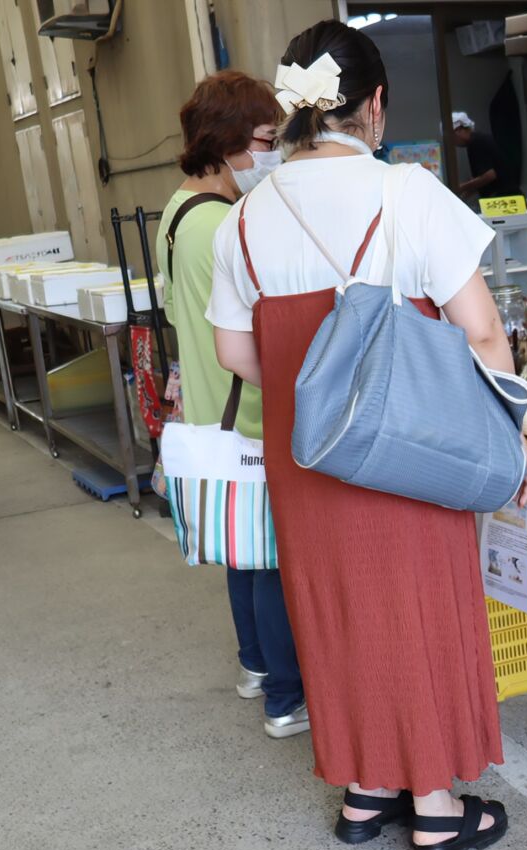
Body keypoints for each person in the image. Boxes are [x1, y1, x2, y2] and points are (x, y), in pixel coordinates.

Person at [206, 20, 527, 850]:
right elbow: (483, 333)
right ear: (376, 104)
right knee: (418, 612)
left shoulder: (241, 219)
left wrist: (317, 386)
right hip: (410, 451)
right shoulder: (407, 195)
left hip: (307, 457)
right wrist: (507, 439)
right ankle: (435, 811)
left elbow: (235, 353)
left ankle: (365, 790)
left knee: (339, 616)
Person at [157, 70, 307, 739]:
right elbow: (257, 329)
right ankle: (286, 699)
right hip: (246, 409)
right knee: (270, 557)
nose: (272, 155)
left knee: (242, 550)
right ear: (228, 142)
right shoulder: (226, 225)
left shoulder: (176, 212)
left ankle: (255, 666)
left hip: (209, 408)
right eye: (267, 141)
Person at [452, 111, 519, 200]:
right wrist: (462, 197)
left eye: (451, 137)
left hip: (502, 197)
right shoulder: (478, 139)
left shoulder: (476, 142)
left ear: (458, 130)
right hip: (508, 196)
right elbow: (481, 180)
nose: (453, 143)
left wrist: (461, 187)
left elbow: (489, 175)